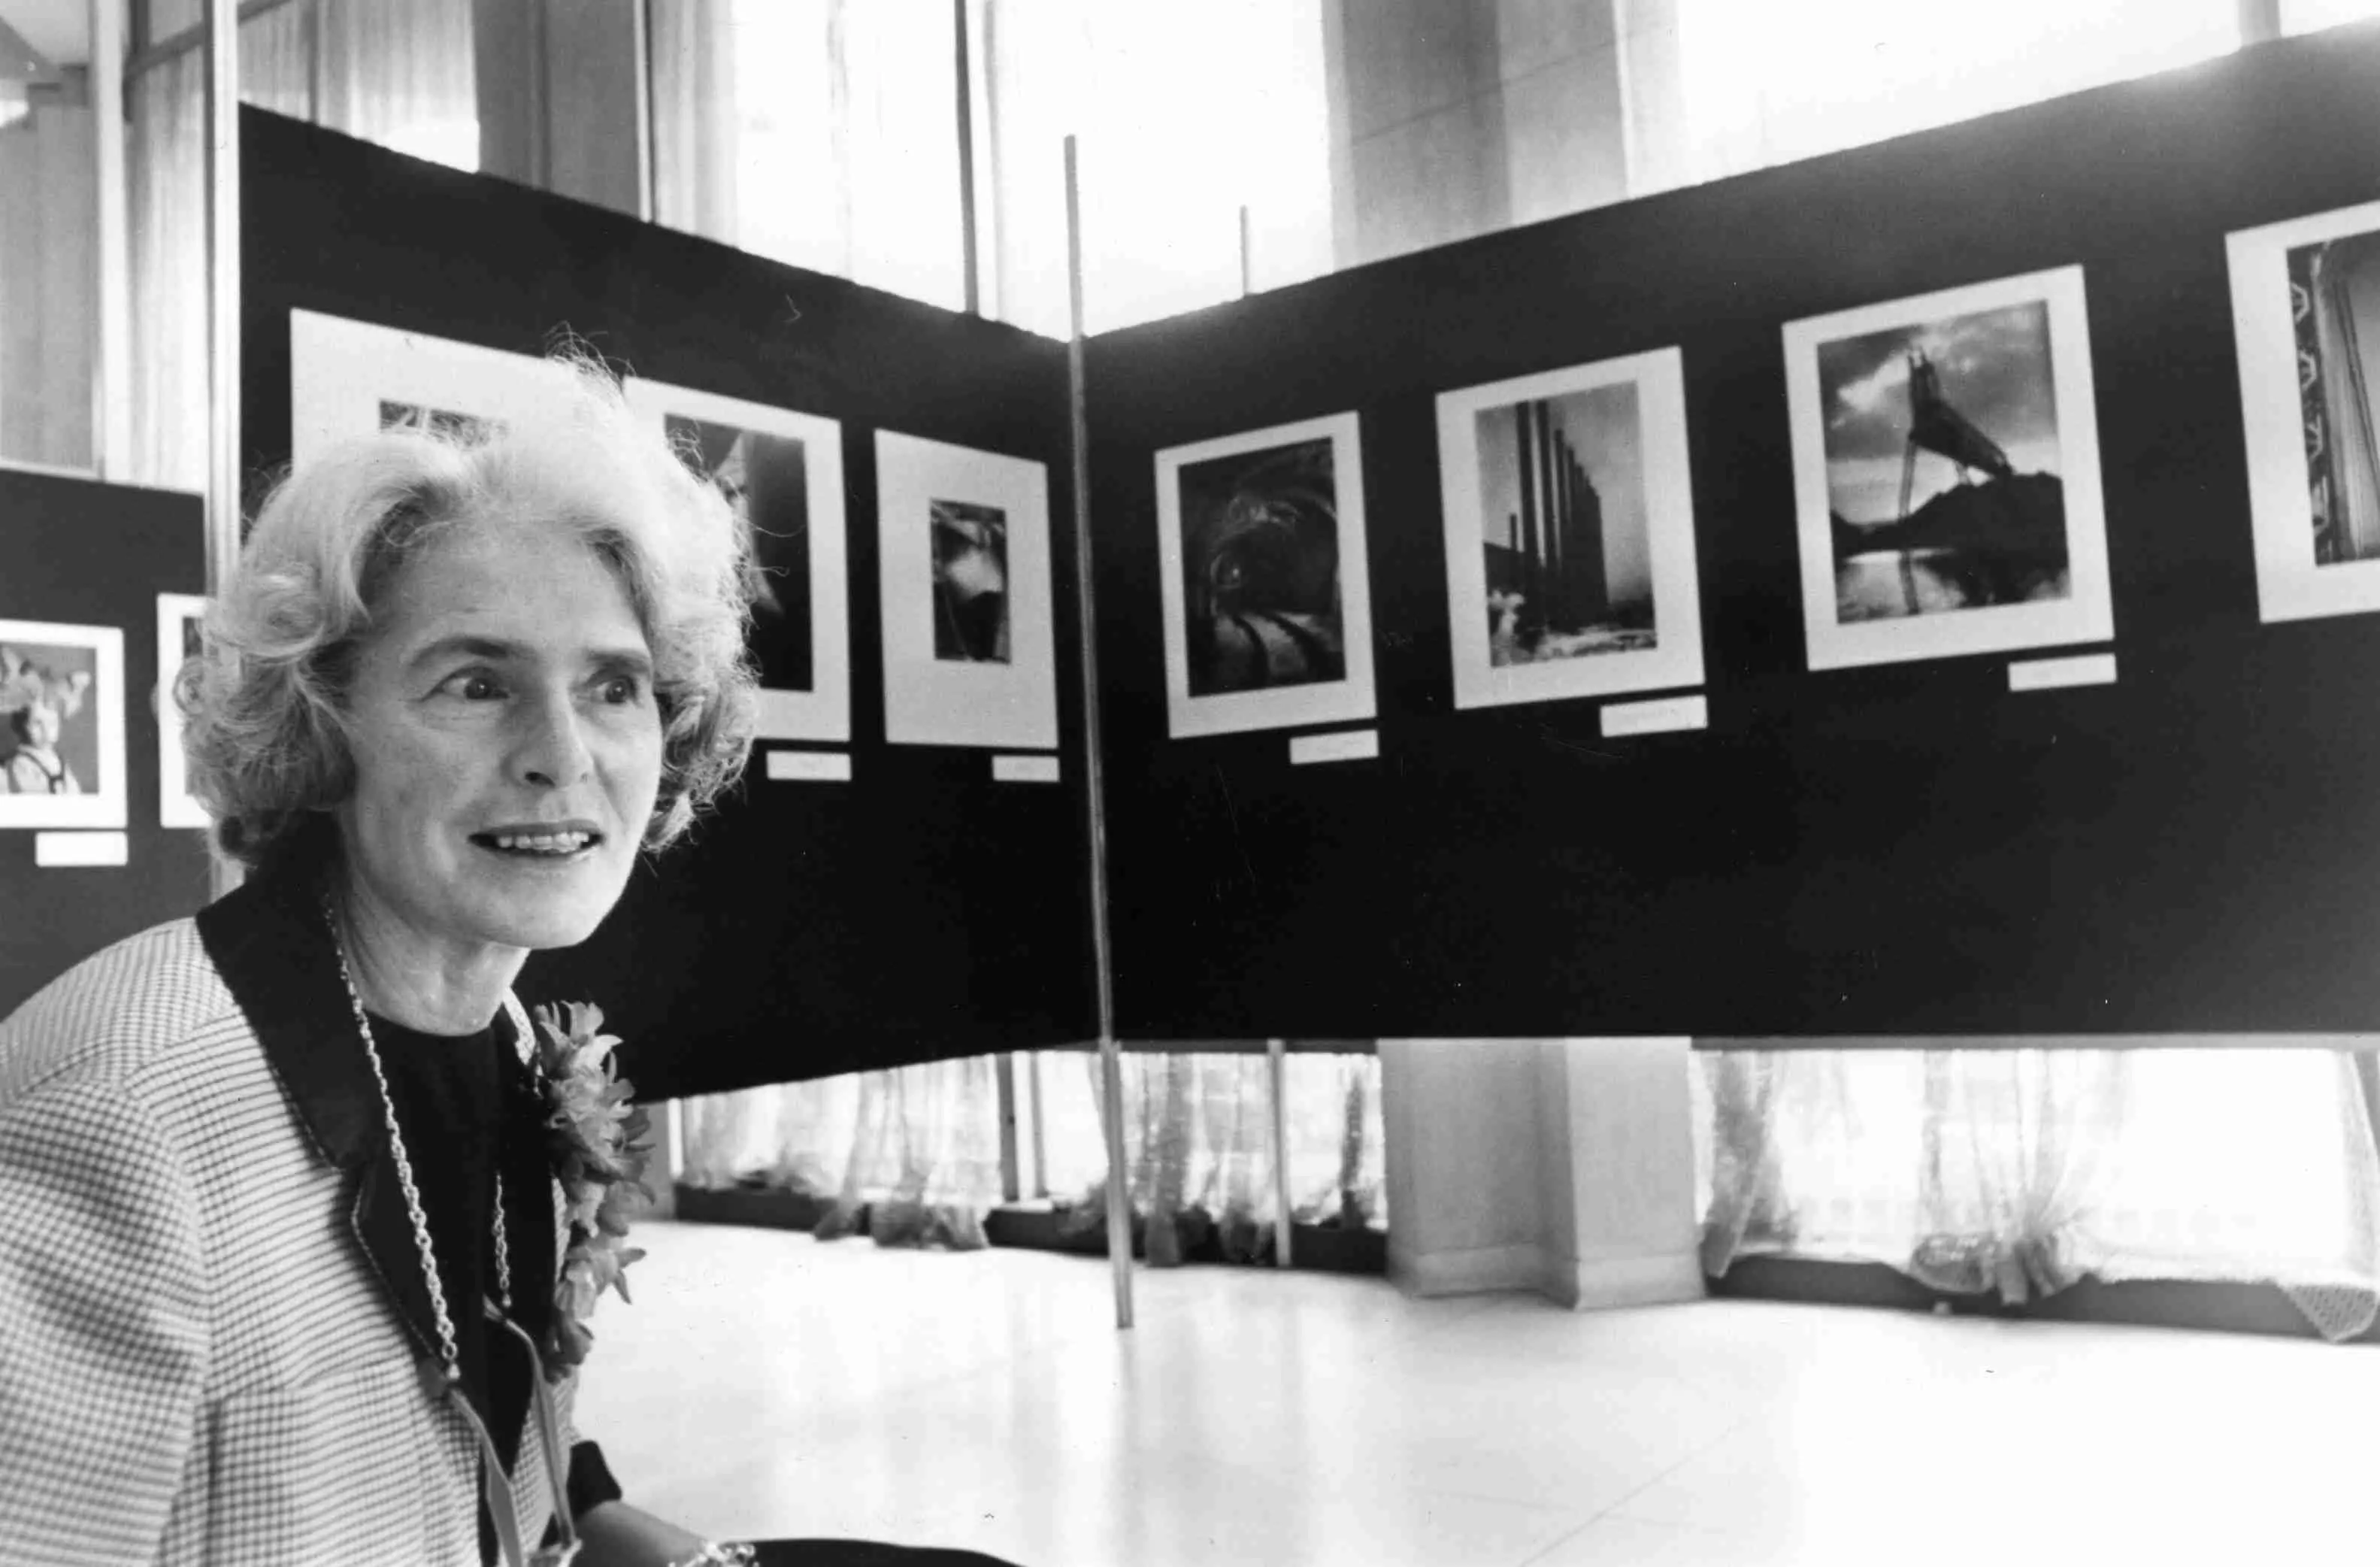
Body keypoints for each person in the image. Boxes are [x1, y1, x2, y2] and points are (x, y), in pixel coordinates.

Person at [0, 364, 762, 1566]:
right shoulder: (122, 1109)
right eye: (477, 683)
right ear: (321, 725)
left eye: (612, 686)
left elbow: (463, 1415)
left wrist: (606, 1525)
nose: (561, 757)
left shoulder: (501, 1038)